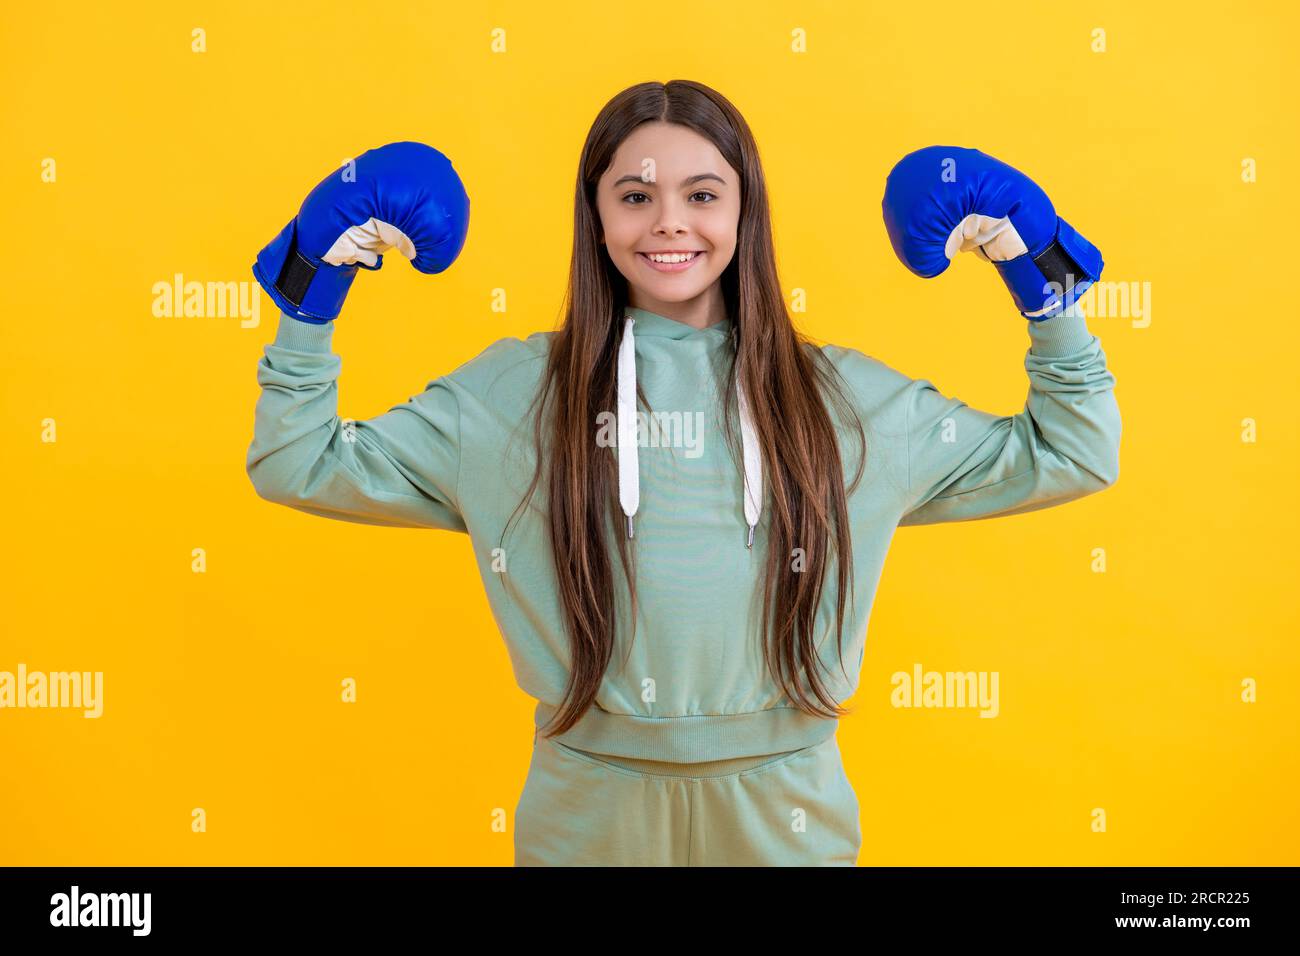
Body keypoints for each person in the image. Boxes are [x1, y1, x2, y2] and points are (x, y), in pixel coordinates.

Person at [245, 80, 1121, 866]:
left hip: (786, 810)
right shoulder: (512, 394)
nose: (669, 222)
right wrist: (311, 285)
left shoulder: (845, 401)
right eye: (635, 196)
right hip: (589, 809)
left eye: (702, 195)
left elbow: (1073, 451)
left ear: (746, 213)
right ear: (597, 218)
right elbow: (298, 463)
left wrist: (1039, 272)